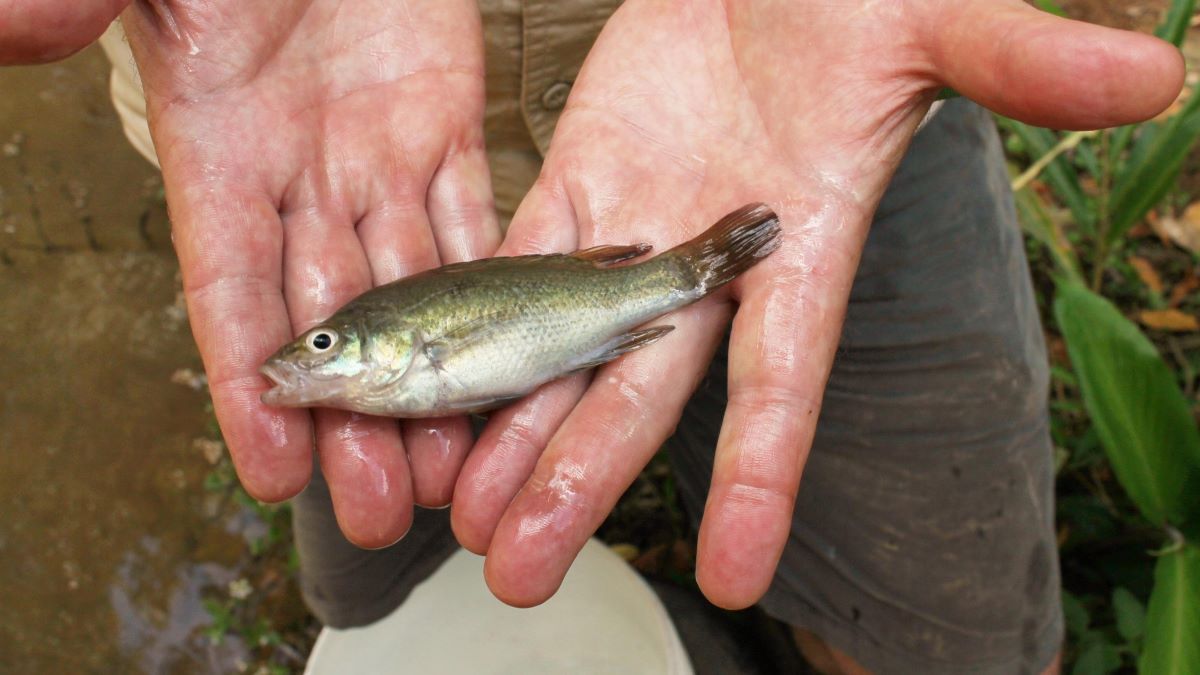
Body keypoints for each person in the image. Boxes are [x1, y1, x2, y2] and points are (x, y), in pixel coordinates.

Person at [3, 1, 1183, 672]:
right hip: (320, 157)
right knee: (387, 577)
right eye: (322, 353)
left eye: (321, 354)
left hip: (805, 81)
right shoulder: (358, 316)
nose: (307, 363)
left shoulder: (393, 354)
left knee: (948, 637)